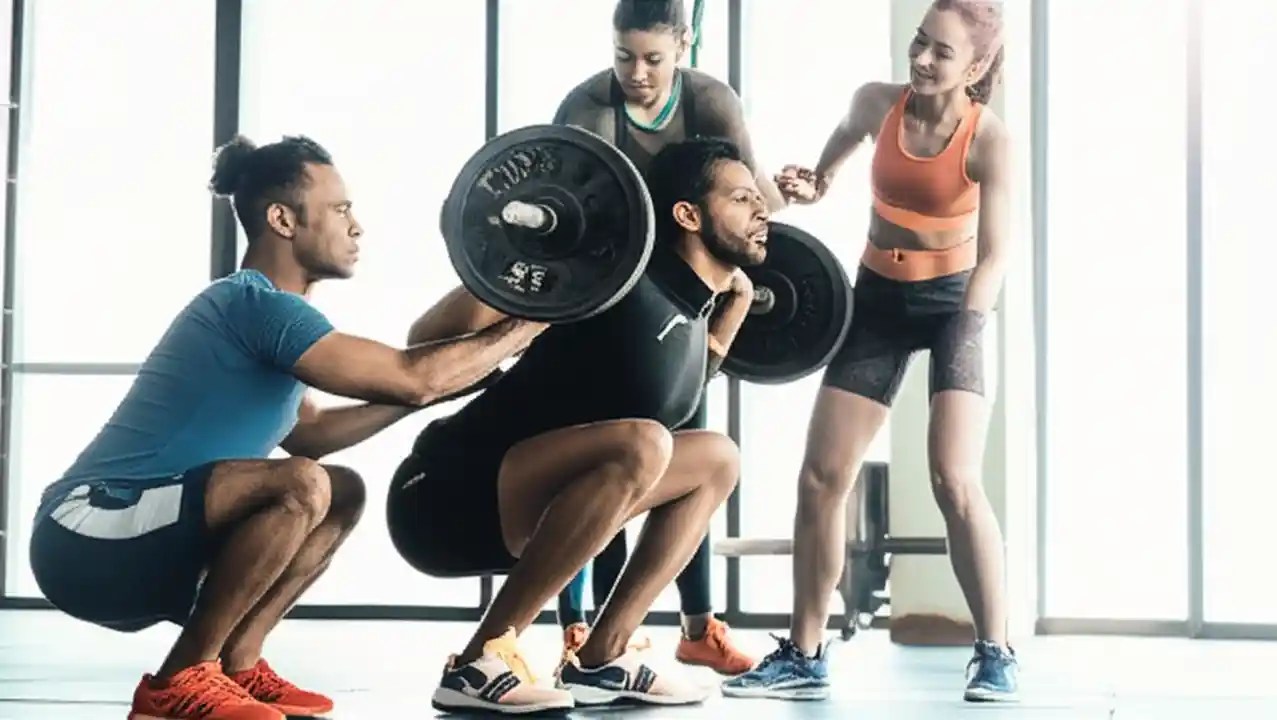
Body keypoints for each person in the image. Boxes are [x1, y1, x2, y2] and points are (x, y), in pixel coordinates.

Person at [27, 135, 541, 720]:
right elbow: (409, 375)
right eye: (341, 209)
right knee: (300, 484)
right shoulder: (256, 305)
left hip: (143, 535)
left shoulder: (273, 317)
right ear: (282, 219)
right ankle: (177, 681)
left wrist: (434, 390)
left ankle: (238, 664)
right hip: (86, 535)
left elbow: (311, 433)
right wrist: (531, 320)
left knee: (340, 488)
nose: (357, 227)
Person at [386, 136, 770, 715]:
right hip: (443, 495)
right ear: (688, 215)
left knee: (716, 456)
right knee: (644, 442)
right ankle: (477, 662)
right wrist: (526, 261)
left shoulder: (689, 315)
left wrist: (732, 308)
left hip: (526, 506)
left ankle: (603, 658)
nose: (762, 208)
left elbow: (674, 387)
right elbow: (425, 338)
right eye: (742, 198)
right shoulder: (612, 278)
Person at [722, 0, 1019, 704]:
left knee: (953, 479)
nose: (920, 59)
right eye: (919, 42)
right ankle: (804, 650)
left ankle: (996, 650)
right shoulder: (876, 104)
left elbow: (998, 254)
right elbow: (834, 159)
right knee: (820, 476)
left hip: (955, 307)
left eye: (940, 52)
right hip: (877, 302)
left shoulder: (989, 139)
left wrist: (967, 334)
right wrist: (813, 183)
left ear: (974, 67)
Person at [547, 0, 780, 676]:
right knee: (605, 469)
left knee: (689, 459)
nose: (637, 73)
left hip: (688, 298)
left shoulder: (710, 100)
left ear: (684, 43)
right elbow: (570, 219)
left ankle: (697, 627)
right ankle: (576, 628)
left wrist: (792, 195)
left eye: (652, 58)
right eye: (624, 56)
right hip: (607, 295)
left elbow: (743, 190)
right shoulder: (586, 105)